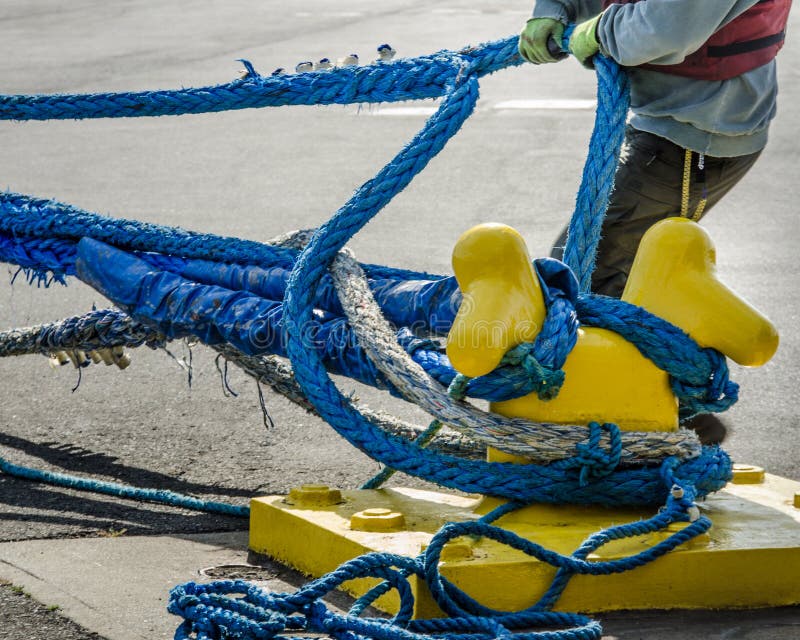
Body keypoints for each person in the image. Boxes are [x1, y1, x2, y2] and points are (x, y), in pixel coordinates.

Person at [518, 0, 792, 443]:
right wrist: (557, 7)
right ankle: (654, 414)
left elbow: (667, 25)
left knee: (583, 276)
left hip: (696, 134)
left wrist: (598, 32)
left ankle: (665, 420)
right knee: (599, 272)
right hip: (678, 120)